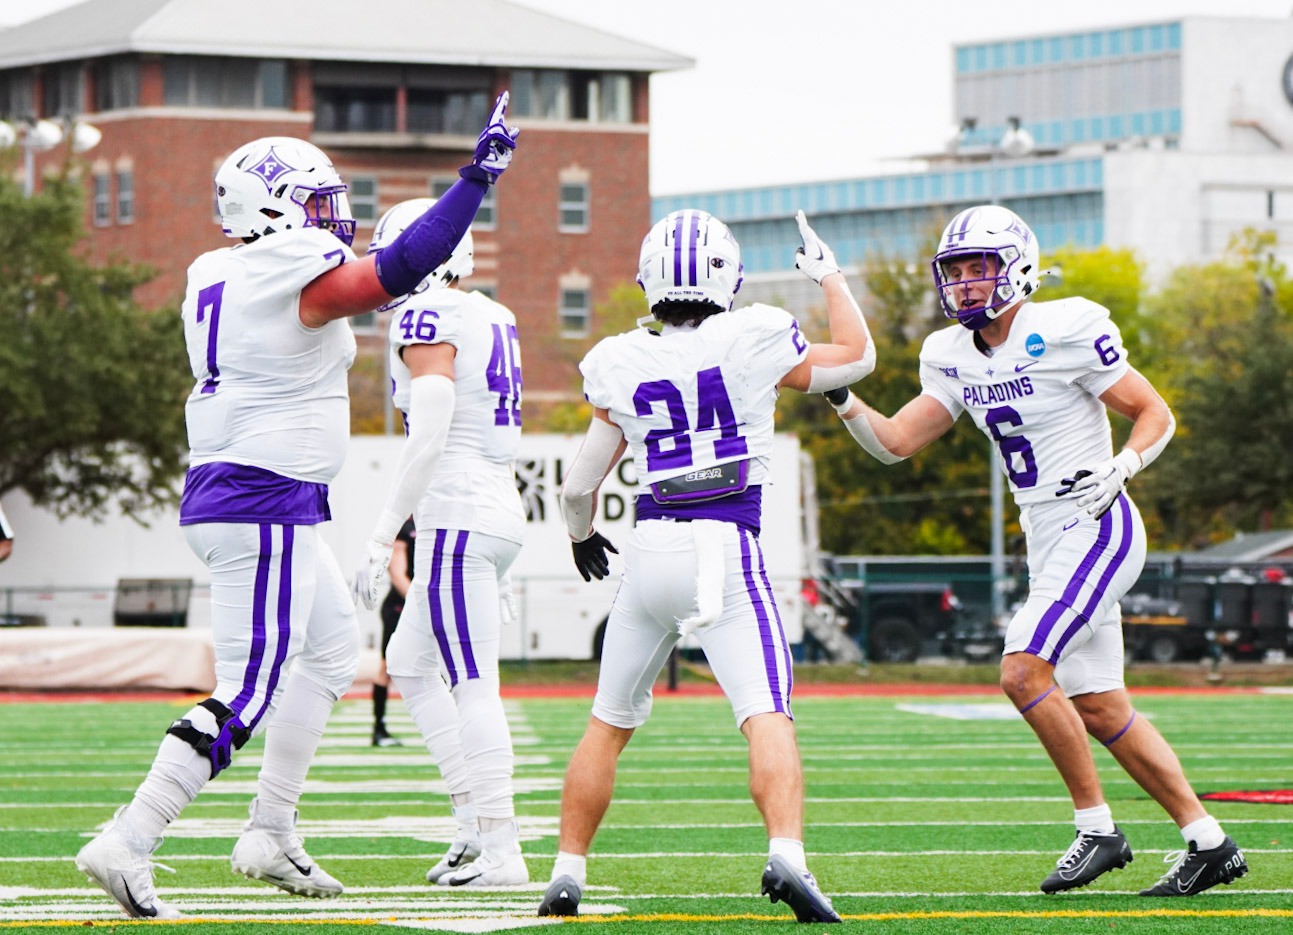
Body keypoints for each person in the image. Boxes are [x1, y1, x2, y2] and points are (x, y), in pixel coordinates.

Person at [73, 94, 519, 920]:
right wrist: (472, 182)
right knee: (246, 689)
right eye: (318, 204)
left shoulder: (219, 268)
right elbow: (390, 273)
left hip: (252, 491)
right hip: (262, 497)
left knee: (330, 649)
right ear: (273, 207)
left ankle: (271, 828)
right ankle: (130, 837)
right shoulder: (286, 266)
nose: (332, 218)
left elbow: (359, 294)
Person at [823, 204, 1247, 897]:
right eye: (954, 270)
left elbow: (1154, 411)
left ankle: (1097, 828)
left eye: (978, 266)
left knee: (1022, 670)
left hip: (1097, 521)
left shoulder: (1065, 326)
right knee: (1101, 706)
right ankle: (1208, 841)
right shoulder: (951, 354)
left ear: (1016, 266)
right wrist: (840, 395)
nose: (963, 283)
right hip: (1045, 537)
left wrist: (1123, 467)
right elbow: (897, 440)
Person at [535, 209, 875, 923]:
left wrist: (579, 535)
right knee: (765, 712)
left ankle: (567, 870)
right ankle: (787, 855)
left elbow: (576, 485)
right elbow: (856, 356)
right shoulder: (753, 333)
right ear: (729, 275)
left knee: (606, 721)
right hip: (721, 546)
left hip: (648, 545)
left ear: (646, 277)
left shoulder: (617, 357)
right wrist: (829, 276)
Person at [353, 198, 528, 887]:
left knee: (473, 683)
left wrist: (379, 532)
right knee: (410, 660)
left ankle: (501, 847)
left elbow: (429, 433)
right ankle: (469, 824)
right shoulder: (494, 314)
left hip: (458, 514)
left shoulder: (427, 315)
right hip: (489, 508)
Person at [372, 517, 416, 747]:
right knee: (386, 667)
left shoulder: (433, 522)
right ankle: (379, 728)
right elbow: (398, 574)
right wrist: (419, 605)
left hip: (419, 606)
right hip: (400, 607)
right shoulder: (406, 529)